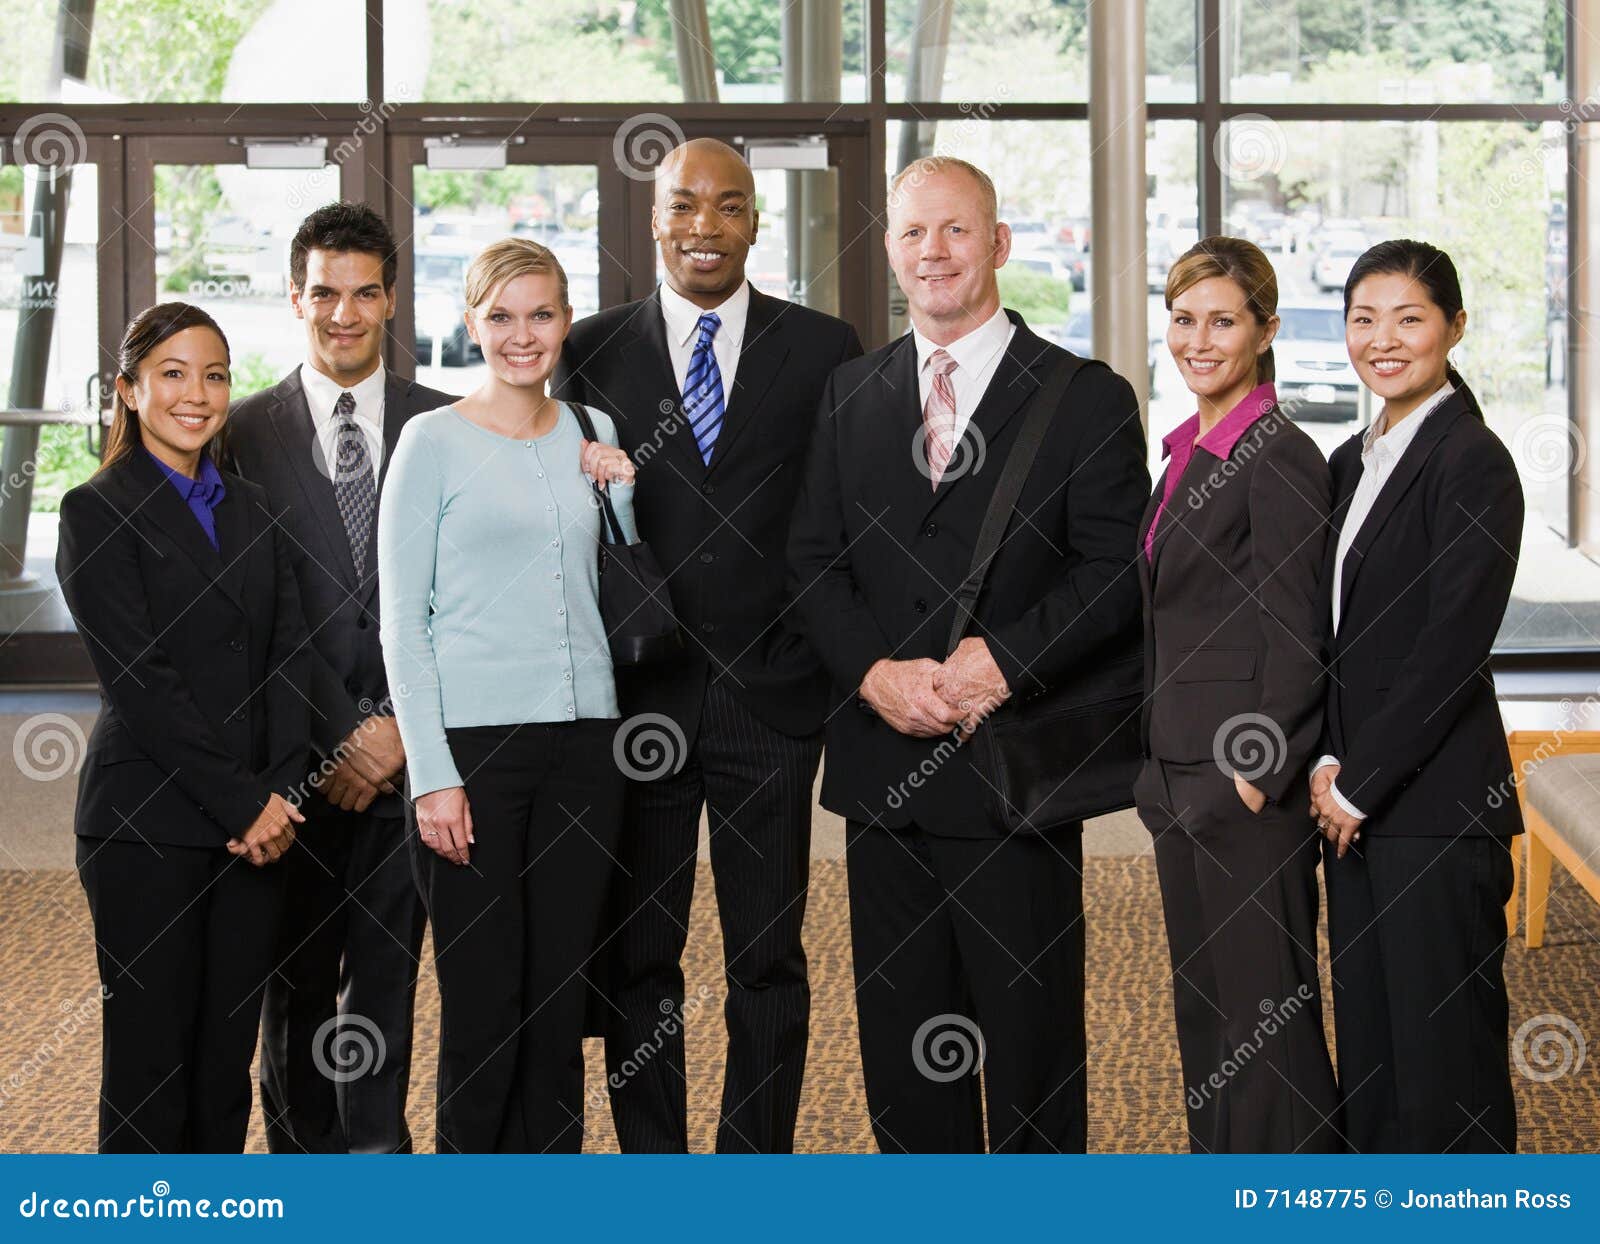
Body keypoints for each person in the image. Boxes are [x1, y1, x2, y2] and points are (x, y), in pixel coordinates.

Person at [788, 156, 1148, 1153]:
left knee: (1032, 1049)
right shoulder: (848, 392)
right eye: (912, 234)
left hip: (1012, 775)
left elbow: (1118, 571)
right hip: (883, 775)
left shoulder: (1082, 396)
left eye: (954, 230)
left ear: (996, 244)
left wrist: (1007, 661)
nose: (932, 252)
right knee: (903, 1055)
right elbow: (813, 560)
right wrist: (871, 672)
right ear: (891, 252)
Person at [553, 137, 862, 1153]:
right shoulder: (591, 349)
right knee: (640, 955)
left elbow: (839, 520)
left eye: (729, 206)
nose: (705, 225)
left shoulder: (821, 348)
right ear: (655, 217)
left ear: (754, 223)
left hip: (770, 699)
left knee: (766, 956)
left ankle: (751, 1167)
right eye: (685, 204)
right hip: (639, 692)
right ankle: (658, 1169)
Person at [378, 238, 636, 1153]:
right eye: (500, 316)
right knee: (485, 1005)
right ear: (470, 322)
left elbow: (622, 582)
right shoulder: (430, 441)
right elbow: (401, 624)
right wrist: (431, 775)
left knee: (558, 1002)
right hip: (475, 752)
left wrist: (625, 490)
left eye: (540, 315)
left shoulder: (593, 428)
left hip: (585, 744)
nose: (521, 336)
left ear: (566, 321)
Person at [56, 302, 311, 1152]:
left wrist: (278, 795)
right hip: (146, 829)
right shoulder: (94, 511)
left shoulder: (254, 507)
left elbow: (286, 657)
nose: (195, 395)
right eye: (171, 374)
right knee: (148, 1066)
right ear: (129, 391)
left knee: (221, 1064)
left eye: (213, 375)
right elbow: (143, 686)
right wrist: (244, 803)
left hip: (256, 834)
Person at [226, 202, 452, 1155]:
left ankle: (379, 1168)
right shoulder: (240, 435)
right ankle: (307, 1174)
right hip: (295, 764)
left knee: (390, 980)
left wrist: (398, 726)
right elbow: (246, 615)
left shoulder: (447, 424)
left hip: (414, 756)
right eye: (325, 292)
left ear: (392, 301)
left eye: (365, 293)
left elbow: (465, 596)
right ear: (294, 296)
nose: (344, 313)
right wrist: (340, 733)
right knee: (298, 985)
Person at [1312, 239, 1524, 1153]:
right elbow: (1328, 639)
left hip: (1435, 810)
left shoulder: (1472, 459)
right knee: (1376, 1057)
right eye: (1365, 319)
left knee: (1447, 1071)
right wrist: (1327, 758)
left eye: (1410, 318)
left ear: (1455, 328)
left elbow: (1450, 649)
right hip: (1353, 805)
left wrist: (1358, 783)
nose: (1383, 340)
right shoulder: (1352, 461)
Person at [1134, 236, 1339, 1153]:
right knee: (1210, 1020)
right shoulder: (1185, 450)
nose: (1198, 340)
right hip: (1178, 779)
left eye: (1222, 321)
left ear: (1265, 331)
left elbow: (1299, 641)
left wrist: (1247, 780)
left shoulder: (1279, 454)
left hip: (1240, 790)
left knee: (1268, 1034)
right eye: (1183, 320)